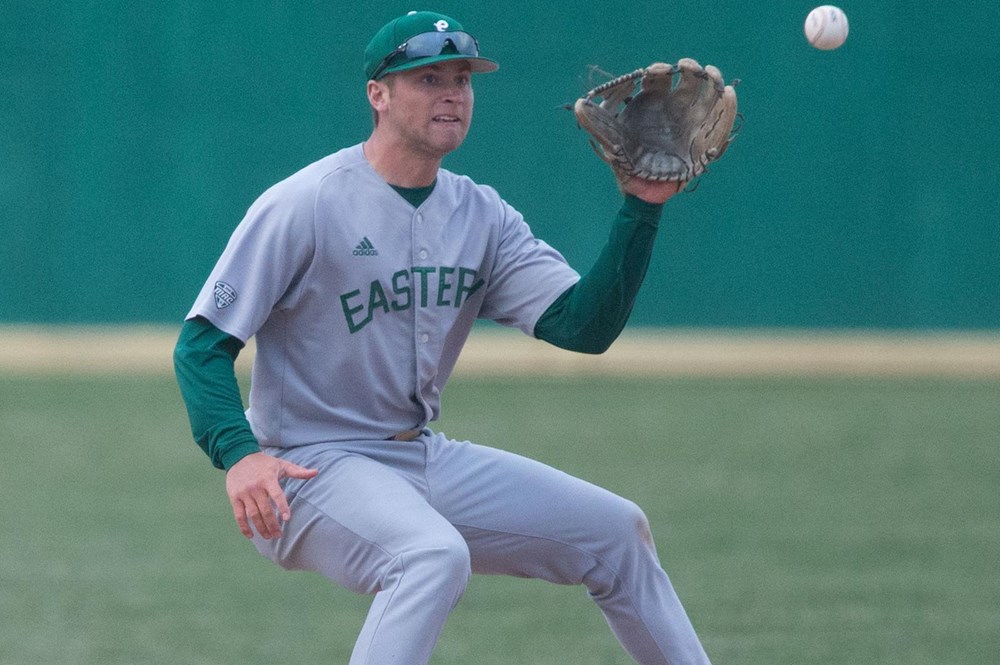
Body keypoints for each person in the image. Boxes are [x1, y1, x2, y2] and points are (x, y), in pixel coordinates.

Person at [174, 10, 711, 665]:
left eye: (462, 78)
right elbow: (201, 345)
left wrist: (642, 207)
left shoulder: (481, 215)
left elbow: (583, 325)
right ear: (379, 94)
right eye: (428, 78)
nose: (452, 93)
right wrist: (240, 455)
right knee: (429, 555)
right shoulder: (306, 203)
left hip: (418, 457)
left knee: (617, 533)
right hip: (307, 469)